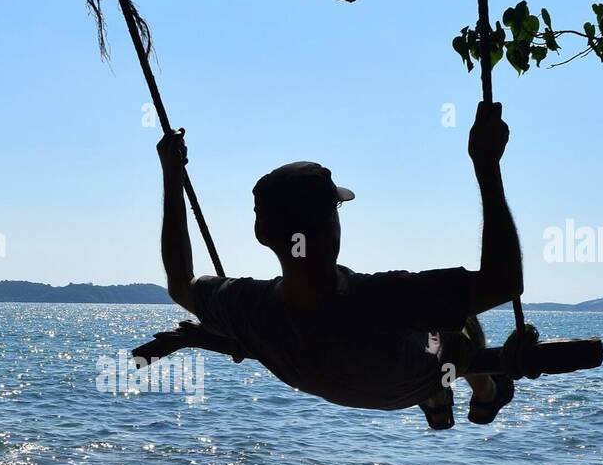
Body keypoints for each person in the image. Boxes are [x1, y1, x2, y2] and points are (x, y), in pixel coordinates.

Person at [154, 102, 523, 428]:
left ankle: (439, 401)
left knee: (431, 330)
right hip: (417, 378)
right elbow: (504, 281)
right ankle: (486, 392)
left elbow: (179, 282)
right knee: (460, 328)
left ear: (261, 233)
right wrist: (487, 165)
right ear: (333, 228)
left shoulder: (248, 307)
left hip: (354, 385)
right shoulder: (388, 297)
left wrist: (172, 176)